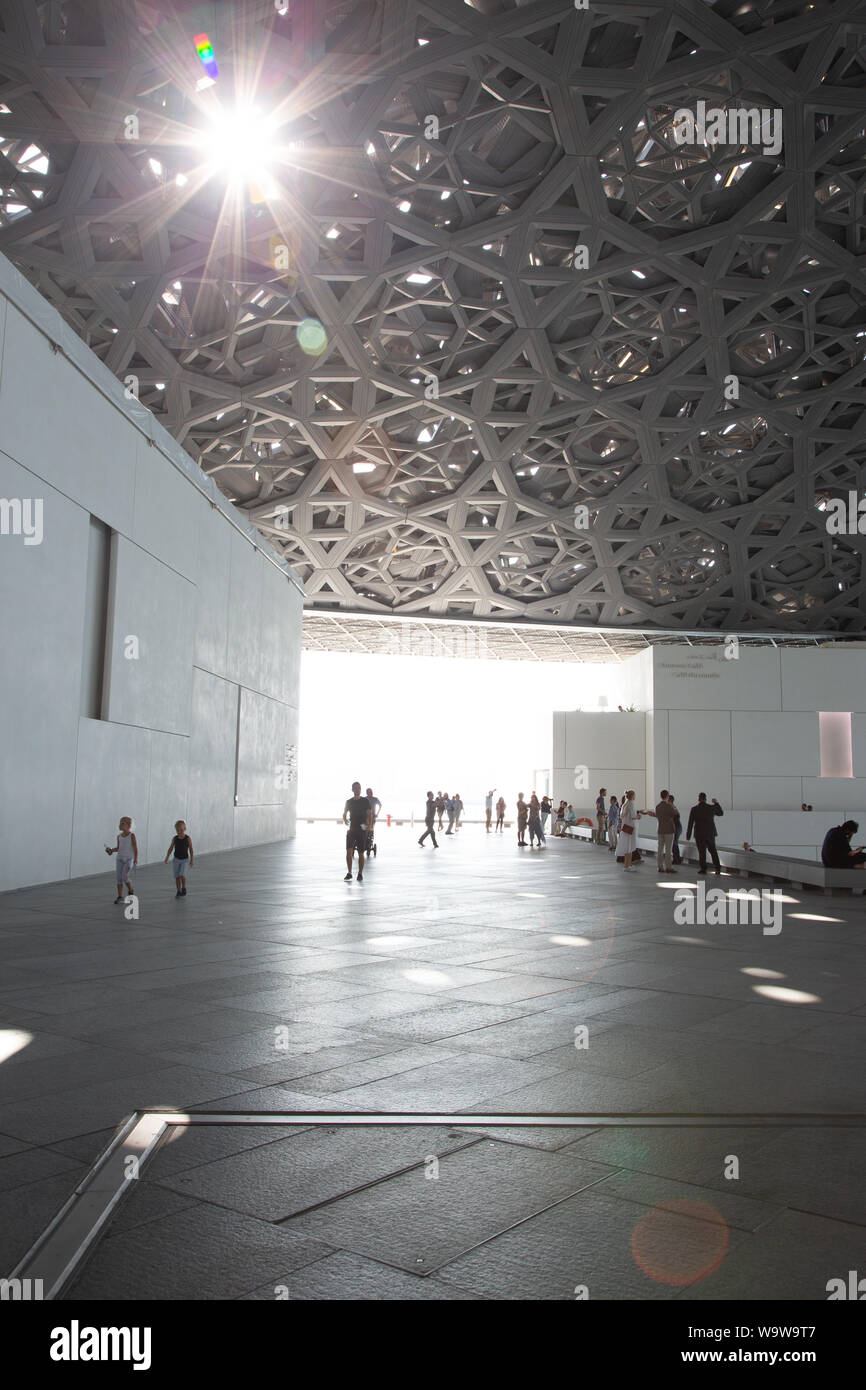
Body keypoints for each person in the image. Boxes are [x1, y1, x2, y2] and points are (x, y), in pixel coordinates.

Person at [685, 793, 724, 875]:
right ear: (705, 799)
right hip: (710, 833)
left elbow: (690, 823)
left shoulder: (694, 809)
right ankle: (717, 868)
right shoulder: (711, 808)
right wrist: (716, 803)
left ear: (698, 799)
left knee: (702, 852)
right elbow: (720, 813)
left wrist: (688, 835)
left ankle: (703, 869)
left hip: (699, 834)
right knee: (713, 851)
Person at [342, 782, 372, 882]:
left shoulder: (365, 801)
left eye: (358, 788)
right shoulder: (349, 801)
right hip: (352, 829)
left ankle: (360, 873)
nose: (357, 790)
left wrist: (369, 824)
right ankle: (349, 872)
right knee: (349, 850)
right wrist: (345, 819)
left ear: (360, 789)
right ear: (352, 789)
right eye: (355, 788)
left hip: (361, 829)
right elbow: (344, 813)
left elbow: (369, 814)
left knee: (360, 853)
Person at [107, 815, 137, 904]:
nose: (120, 825)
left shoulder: (132, 836)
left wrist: (136, 859)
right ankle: (120, 896)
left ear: (128, 825)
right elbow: (119, 848)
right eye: (120, 823)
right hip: (120, 859)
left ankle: (130, 889)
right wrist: (111, 850)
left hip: (129, 859)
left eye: (122, 823)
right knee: (119, 878)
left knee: (125, 876)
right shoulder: (119, 836)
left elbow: (135, 848)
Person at [647, 790, 677, 873]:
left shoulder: (657, 806)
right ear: (667, 796)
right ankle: (668, 867)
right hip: (669, 830)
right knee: (668, 849)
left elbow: (658, 816)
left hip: (660, 829)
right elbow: (675, 813)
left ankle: (660, 866)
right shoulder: (669, 806)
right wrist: (672, 805)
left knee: (660, 849)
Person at [164, 819, 193, 897]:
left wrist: (191, 860)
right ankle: (178, 890)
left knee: (182, 875)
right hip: (176, 860)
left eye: (180, 830)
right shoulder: (175, 838)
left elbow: (191, 849)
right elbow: (170, 848)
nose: (179, 832)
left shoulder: (187, 839)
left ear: (184, 829)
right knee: (177, 876)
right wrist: (167, 857)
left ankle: (184, 887)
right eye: (177, 830)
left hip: (185, 860)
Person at [618, 791, 641, 871]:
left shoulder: (624, 804)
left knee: (626, 846)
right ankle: (629, 865)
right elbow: (633, 816)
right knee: (630, 847)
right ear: (632, 796)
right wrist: (638, 816)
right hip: (631, 827)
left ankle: (626, 865)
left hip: (625, 827)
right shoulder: (631, 803)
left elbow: (621, 816)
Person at [670, 794, 682, 865]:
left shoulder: (673, 808)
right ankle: (677, 859)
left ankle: (676, 859)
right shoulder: (673, 808)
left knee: (674, 843)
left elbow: (675, 817)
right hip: (676, 827)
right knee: (674, 843)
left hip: (676, 828)